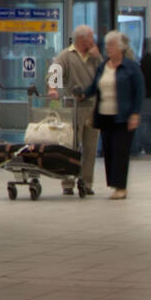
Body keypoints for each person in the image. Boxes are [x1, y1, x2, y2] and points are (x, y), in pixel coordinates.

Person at [83, 30, 144, 199]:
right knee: (109, 151)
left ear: (120, 48)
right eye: (107, 45)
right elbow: (95, 85)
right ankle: (114, 184)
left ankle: (121, 187)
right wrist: (83, 94)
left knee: (120, 151)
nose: (107, 48)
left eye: (111, 45)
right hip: (104, 115)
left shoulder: (131, 67)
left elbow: (139, 92)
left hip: (124, 117)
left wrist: (135, 114)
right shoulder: (104, 66)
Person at [47, 25, 101, 195]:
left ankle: (87, 182)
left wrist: (98, 57)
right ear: (82, 39)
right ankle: (68, 182)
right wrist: (53, 88)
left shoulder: (94, 57)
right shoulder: (66, 55)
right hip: (73, 107)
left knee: (91, 147)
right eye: (90, 37)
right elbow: (54, 72)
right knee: (72, 145)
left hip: (92, 107)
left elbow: (104, 73)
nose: (93, 40)